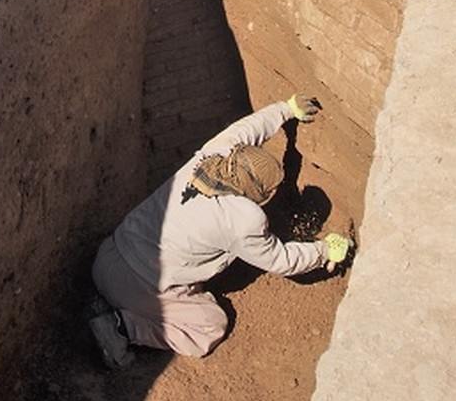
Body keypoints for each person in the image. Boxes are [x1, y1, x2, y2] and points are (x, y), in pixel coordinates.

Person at [89, 94, 353, 370]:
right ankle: (122, 327)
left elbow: (246, 130)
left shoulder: (216, 155)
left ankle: (108, 302)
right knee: (210, 325)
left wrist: (286, 109)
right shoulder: (243, 219)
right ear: (257, 193)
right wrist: (324, 250)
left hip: (107, 257)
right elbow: (281, 260)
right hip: (135, 287)